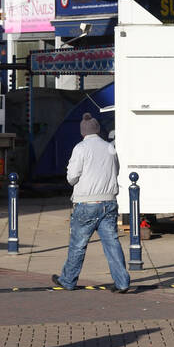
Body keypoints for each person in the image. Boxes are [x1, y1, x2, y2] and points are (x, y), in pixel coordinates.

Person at [53, 114, 131, 293]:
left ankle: (68, 280)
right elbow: (116, 171)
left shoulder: (80, 148)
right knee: (112, 244)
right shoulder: (110, 148)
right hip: (109, 202)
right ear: (98, 130)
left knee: (78, 245)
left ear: (83, 132)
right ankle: (122, 282)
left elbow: (72, 178)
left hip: (87, 203)